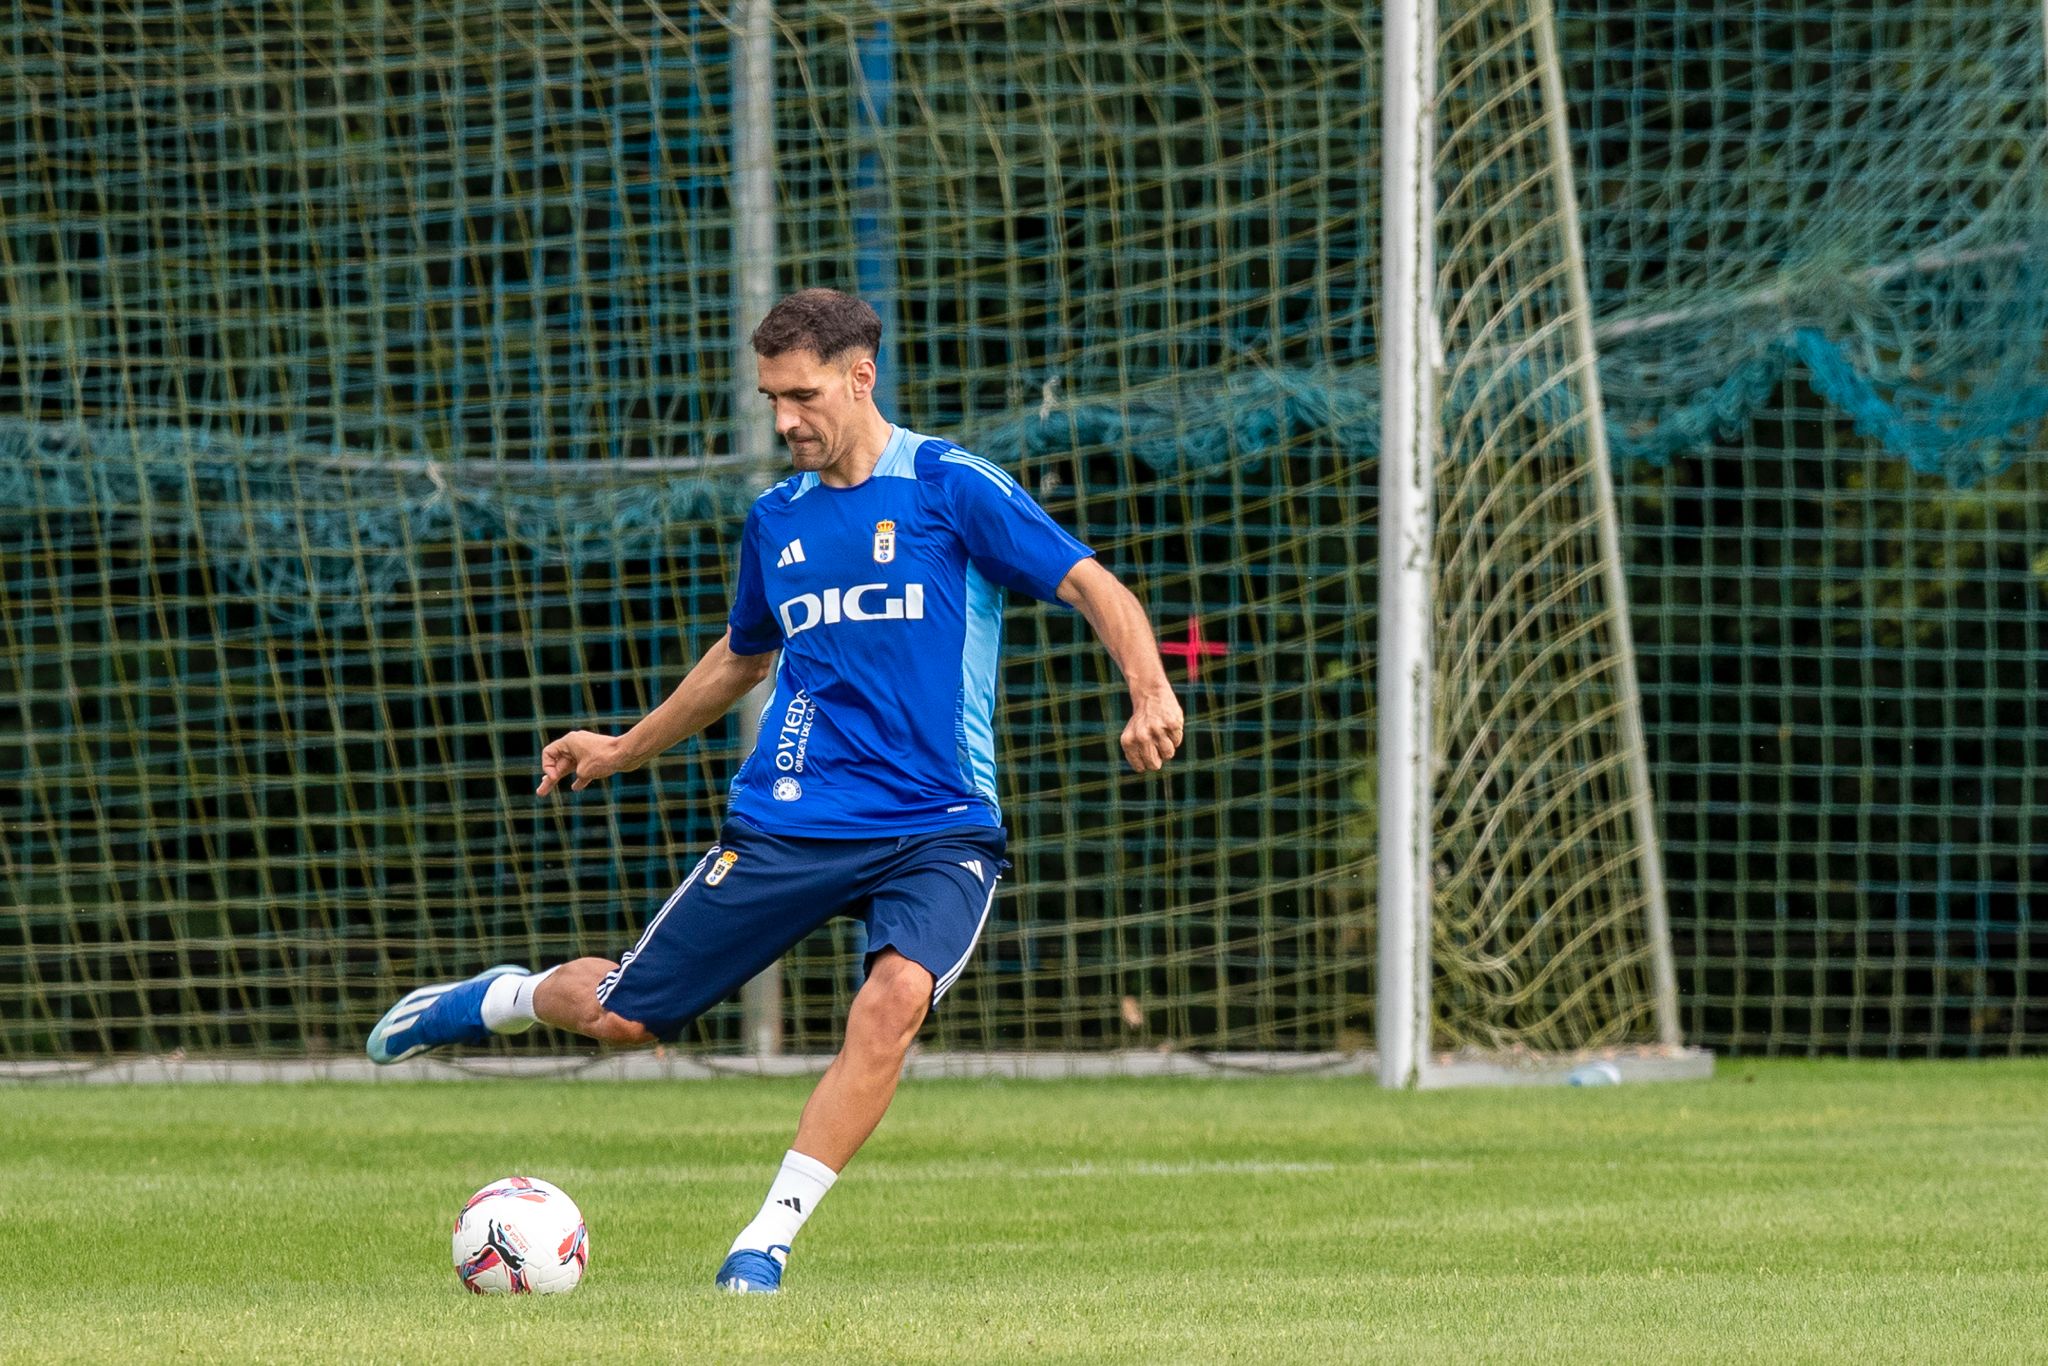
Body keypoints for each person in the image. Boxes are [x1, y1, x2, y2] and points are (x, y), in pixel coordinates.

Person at [366, 288, 1184, 1292]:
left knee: (893, 999)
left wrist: (1147, 690)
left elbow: (1093, 584)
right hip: (794, 818)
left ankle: (766, 1239)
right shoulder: (777, 521)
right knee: (626, 1016)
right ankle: (496, 998)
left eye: (800, 395)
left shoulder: (948, 485)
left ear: (858, 376)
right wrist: (624, 747)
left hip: (940, 825)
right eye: (770, 399)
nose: (785, 418)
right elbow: (742, 659)